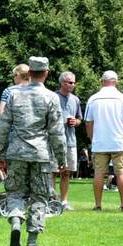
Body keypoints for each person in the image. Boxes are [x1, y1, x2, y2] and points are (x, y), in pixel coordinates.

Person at [0, 57, 67, 246]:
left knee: (15, 192)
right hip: (40, 154)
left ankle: (16, 220)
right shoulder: (51, 97)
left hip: (16, 152)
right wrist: (62, 158)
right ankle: (32, 243)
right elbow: (57, 132)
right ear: (46, 73)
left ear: (29, 72)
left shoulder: (14, 95)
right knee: (40, 196)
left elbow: (2, 127)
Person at [85, 70, 123, 211]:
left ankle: (98, 204)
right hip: (119, 141)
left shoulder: (93, 99)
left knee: (99, 173)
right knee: (121, 173)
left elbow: (88, 123)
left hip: (99, 142)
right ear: (116, 82)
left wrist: (92, 139)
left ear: (102, 81)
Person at [56, 72, 82, 210]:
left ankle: (64, 201)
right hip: (54, 140)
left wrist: (75, 122)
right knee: (52, 171)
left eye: (73, 82)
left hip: (70, 141)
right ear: (62, 83)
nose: (72, 85)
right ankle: (50, 200)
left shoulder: (76, 100)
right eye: (69, 82)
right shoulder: (53, 97)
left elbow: (79, 118)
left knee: (66, 172)